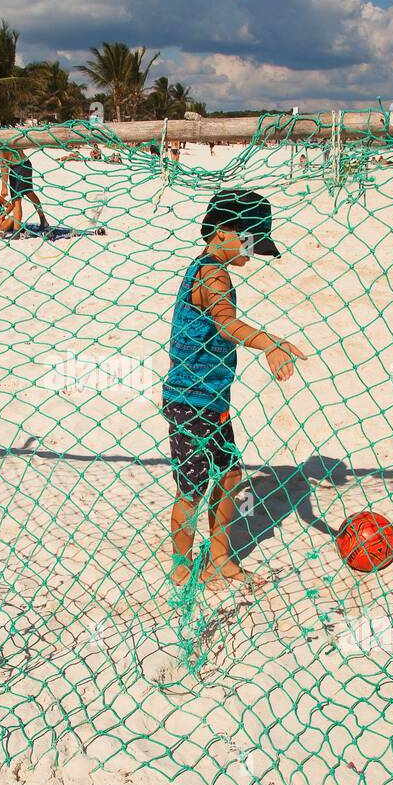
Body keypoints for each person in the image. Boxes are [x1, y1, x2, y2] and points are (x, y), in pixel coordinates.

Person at [163, 189, 306, 591]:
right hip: (190, 401)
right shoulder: (213, 273)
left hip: (212, 399)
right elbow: (226, 324)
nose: (254, 252)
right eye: (252, 240)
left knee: (229, 476)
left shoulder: (205, 267)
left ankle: (221, 557)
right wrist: (270, 343)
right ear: (226, 231)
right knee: (190, 490)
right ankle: (180, 564)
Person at [0, 149, 47, 227]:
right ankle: (43, 220)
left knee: (16, 200)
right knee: (29, 193)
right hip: (26, 164)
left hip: (18, 168)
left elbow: (4, 166)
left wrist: (4, 187)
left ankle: (16, 232)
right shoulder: (9, 138)